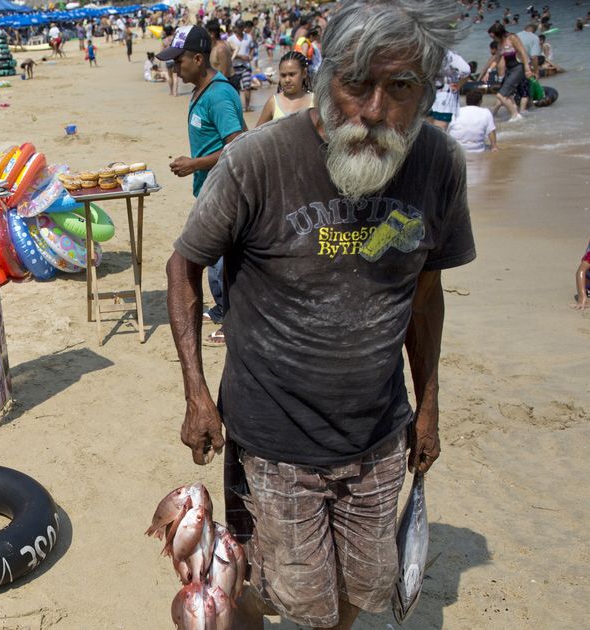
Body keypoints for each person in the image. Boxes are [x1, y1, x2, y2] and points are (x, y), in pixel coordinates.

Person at [166, 1, 474, 627]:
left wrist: (429, 408)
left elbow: (425, 293)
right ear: (323, 75)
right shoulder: (258, 160)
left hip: (379, 433)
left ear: (426, 92)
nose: (375, 110)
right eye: (356, 83)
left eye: (401, 88)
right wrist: (197, 393)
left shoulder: (438, 164)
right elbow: (183, 266)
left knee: (365, 589)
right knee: (289, 593)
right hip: (274, 437)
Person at [160, 24, 246, 348]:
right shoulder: (200, 91)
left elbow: (237, 144)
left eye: (178, 61)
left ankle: (231, 321)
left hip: (225, 192)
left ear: (198, 59)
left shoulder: (220, 95)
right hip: (208, 189)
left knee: (221, 261)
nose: (174, 68)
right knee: (216, 260)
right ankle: (222, 308)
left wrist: (193, 164)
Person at [481, 22, 534, 121]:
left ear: (499, 33)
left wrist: (527, 68)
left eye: (493, 37)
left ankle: (515, 115)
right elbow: (497, 59)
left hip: (518, 67)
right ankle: (517, 115)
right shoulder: (499, 43)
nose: (492, 39)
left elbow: (523, 52)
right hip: (510, 70)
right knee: (508, 95)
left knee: (501, 95)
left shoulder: (512, 38)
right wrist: (488, 71)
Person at [255, 51, 314, 126]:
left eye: (292, 74)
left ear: (304, 73)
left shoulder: (315, 101)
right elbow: (256, 134)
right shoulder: (273, 102)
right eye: (283, 75)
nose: (287, 80)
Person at [427, 49, 471, 130]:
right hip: (444, 96)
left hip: (427, 93)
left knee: (426, 130)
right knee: (439, 131)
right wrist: (459, 85)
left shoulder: (425, 51)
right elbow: (466, 70)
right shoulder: (450, 55)